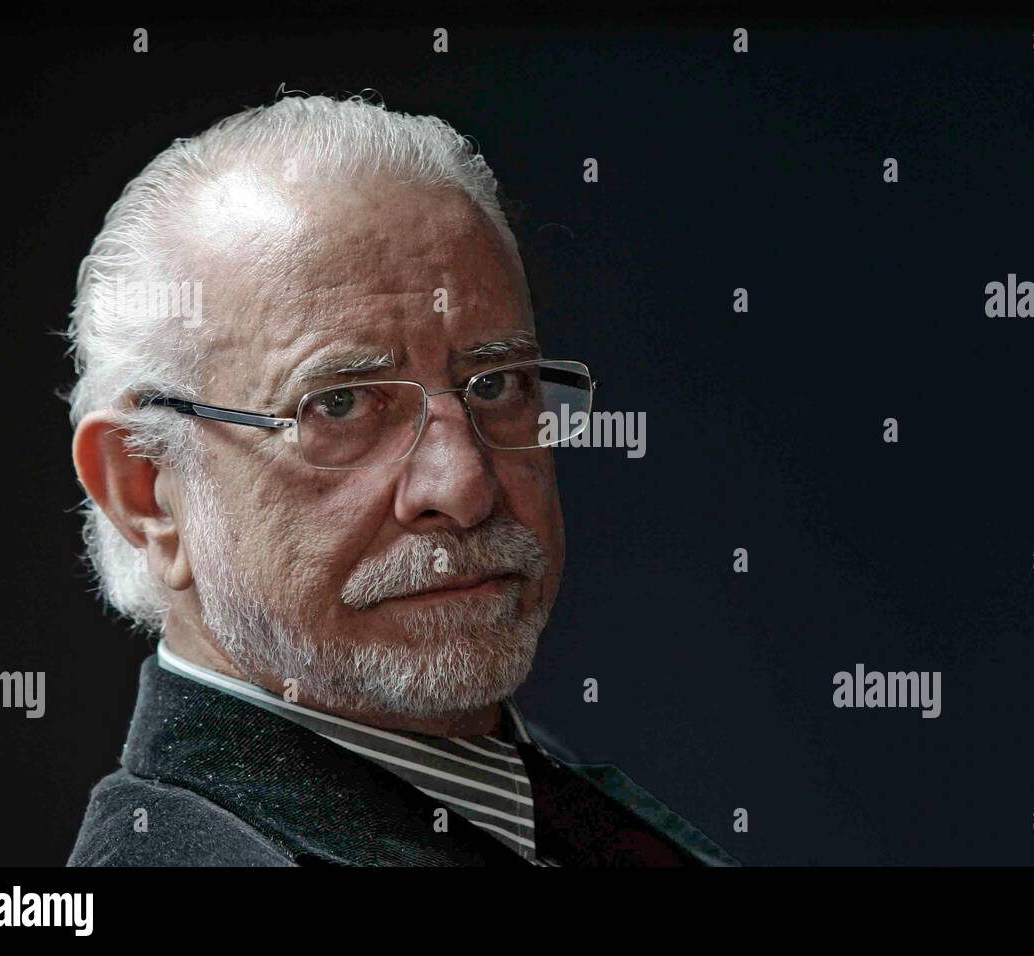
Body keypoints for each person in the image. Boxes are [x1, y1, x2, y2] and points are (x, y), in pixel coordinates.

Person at [64, 93, 738, 867]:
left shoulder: (564, 813)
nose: (463, 487)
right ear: (147, 493)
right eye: (340, 405)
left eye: (496, 385)